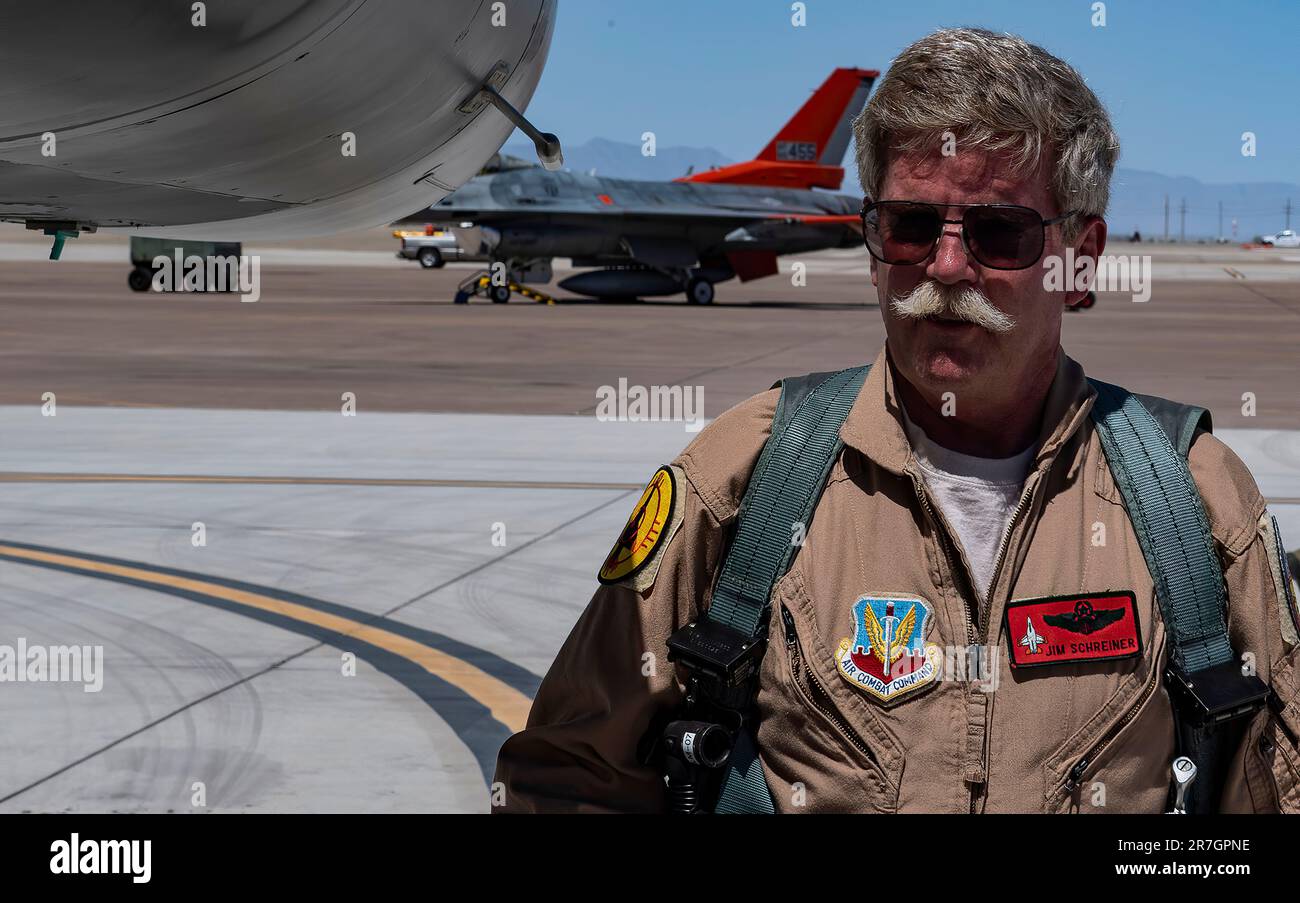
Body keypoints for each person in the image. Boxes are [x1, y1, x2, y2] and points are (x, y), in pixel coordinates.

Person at [492, 27, 1300, 813]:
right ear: (874, 243)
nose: (946, 268)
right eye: (911, 226)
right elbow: (566, 777)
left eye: (998, 232)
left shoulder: (1194, 503)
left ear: (1081, 258)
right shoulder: (749, 478)